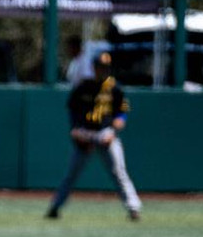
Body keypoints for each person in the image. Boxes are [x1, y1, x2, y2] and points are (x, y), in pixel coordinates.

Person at [47, 48, 142, 221]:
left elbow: (124, 109)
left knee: (119, 172)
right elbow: (72, 109)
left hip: (106, 133)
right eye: (100, 66)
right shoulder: (84, 86)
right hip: (86, 132)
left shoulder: (114, 88)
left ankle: (133, 208)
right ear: (94, 67)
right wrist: (75, 130)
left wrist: (117, 126)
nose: (103, 70)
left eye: (106, 67)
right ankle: (55, 207)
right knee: (72, 173)